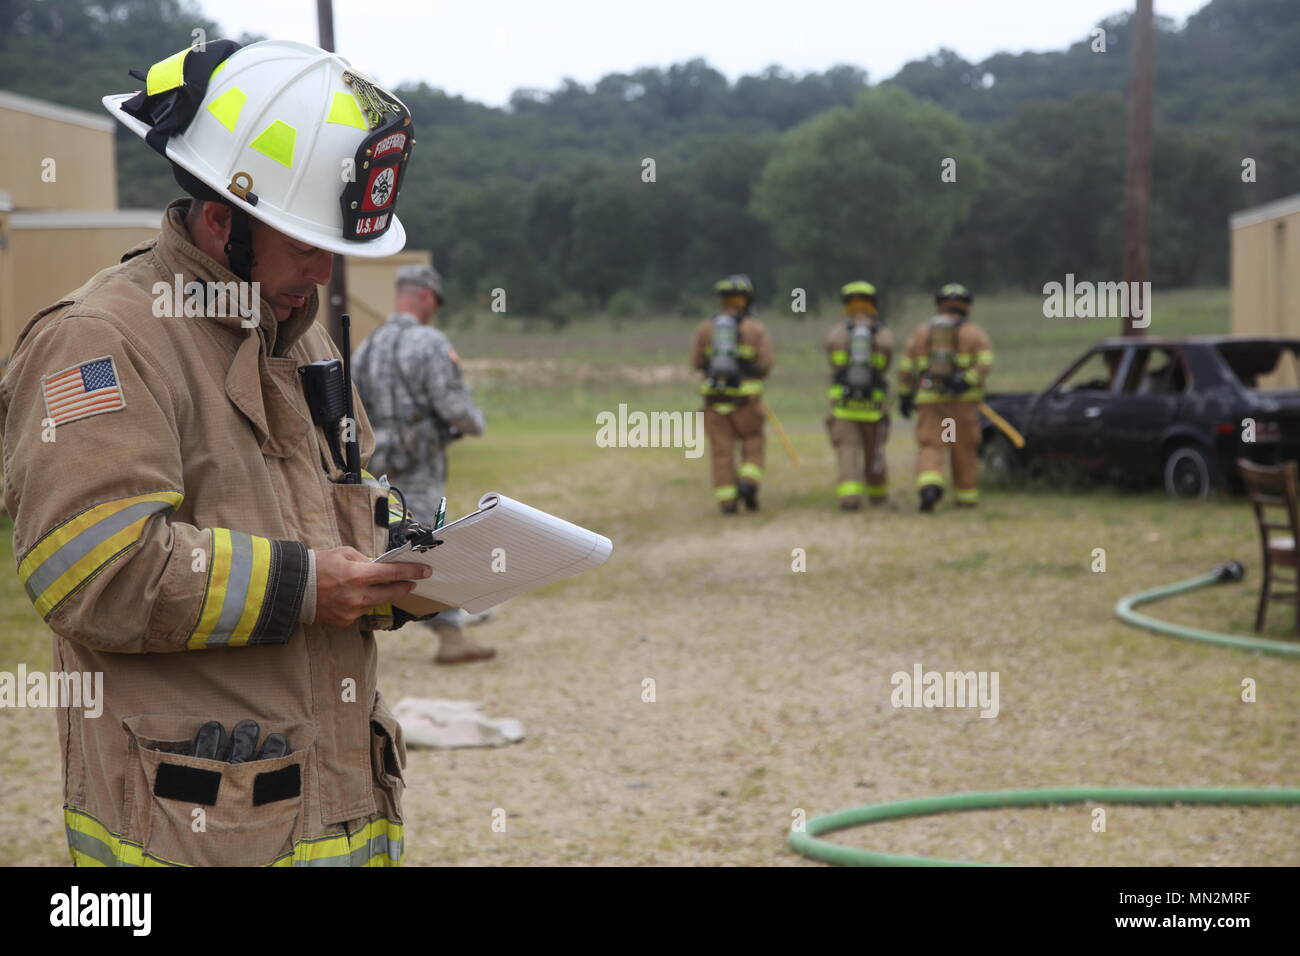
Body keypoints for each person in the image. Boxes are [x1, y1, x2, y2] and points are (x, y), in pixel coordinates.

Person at [0, 39, 433, 866]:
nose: (325, 269)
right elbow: (97, 575)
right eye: (304, 243)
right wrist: (312, 585)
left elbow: (342, 514)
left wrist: (411, 570)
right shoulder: (100, 341)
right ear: (219, 219)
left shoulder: (304, 347)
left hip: (337, 807)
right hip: (196, 827)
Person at [352, 264, 492, 664]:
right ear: (427, 296)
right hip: (420, 455)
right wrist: (474, 422)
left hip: (379, 457)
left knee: (383, 533)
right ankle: (450, 635)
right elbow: (451, 404)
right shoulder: (430, 342)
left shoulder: (368, 345)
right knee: (434, 536)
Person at [896, 283, 995, 512]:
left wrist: (904, 395)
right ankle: (966, 496)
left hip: (932, 402)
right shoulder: (974, 333)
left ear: (940, 305)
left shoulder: (922, 333)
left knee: (932, 444)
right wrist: (965, 381)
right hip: (963, 403)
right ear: (967, 307)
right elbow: (986, 363)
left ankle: (930, 486)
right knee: (964, 448)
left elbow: (905, 367)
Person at [690, 275, 774, 513]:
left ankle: (727, 502)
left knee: (721, 452)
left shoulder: (705, 329)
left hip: (714, 403)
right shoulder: (755, 329)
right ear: (747, 299)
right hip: (747, 402)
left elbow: (696, 361)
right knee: (753, 441)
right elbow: (765, 364)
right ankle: (749, 484)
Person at [825, 281, 893, 510]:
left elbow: (834, 366)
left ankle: (849, 498)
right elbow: (884, 367)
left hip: (844, 406)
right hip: (873, 406)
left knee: (847, 449)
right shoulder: (882, 335)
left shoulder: (837, 334)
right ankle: (878, 495)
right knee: (874, 451)